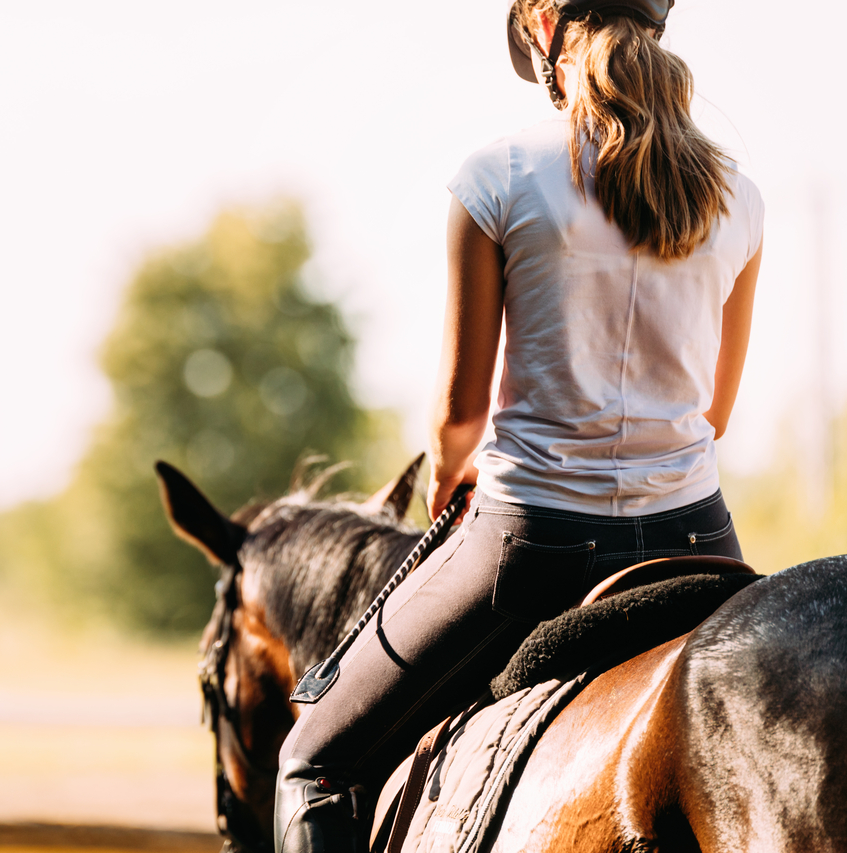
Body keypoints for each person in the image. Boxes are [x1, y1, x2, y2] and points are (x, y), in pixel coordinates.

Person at [273, 1, 764, 851]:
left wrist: (446, 476)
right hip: (700, 538)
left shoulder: (496, 175)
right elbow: (712, 415)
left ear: (542, 26)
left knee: (313, 761)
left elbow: (460, 414)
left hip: (532, 545)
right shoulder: (740, 197)